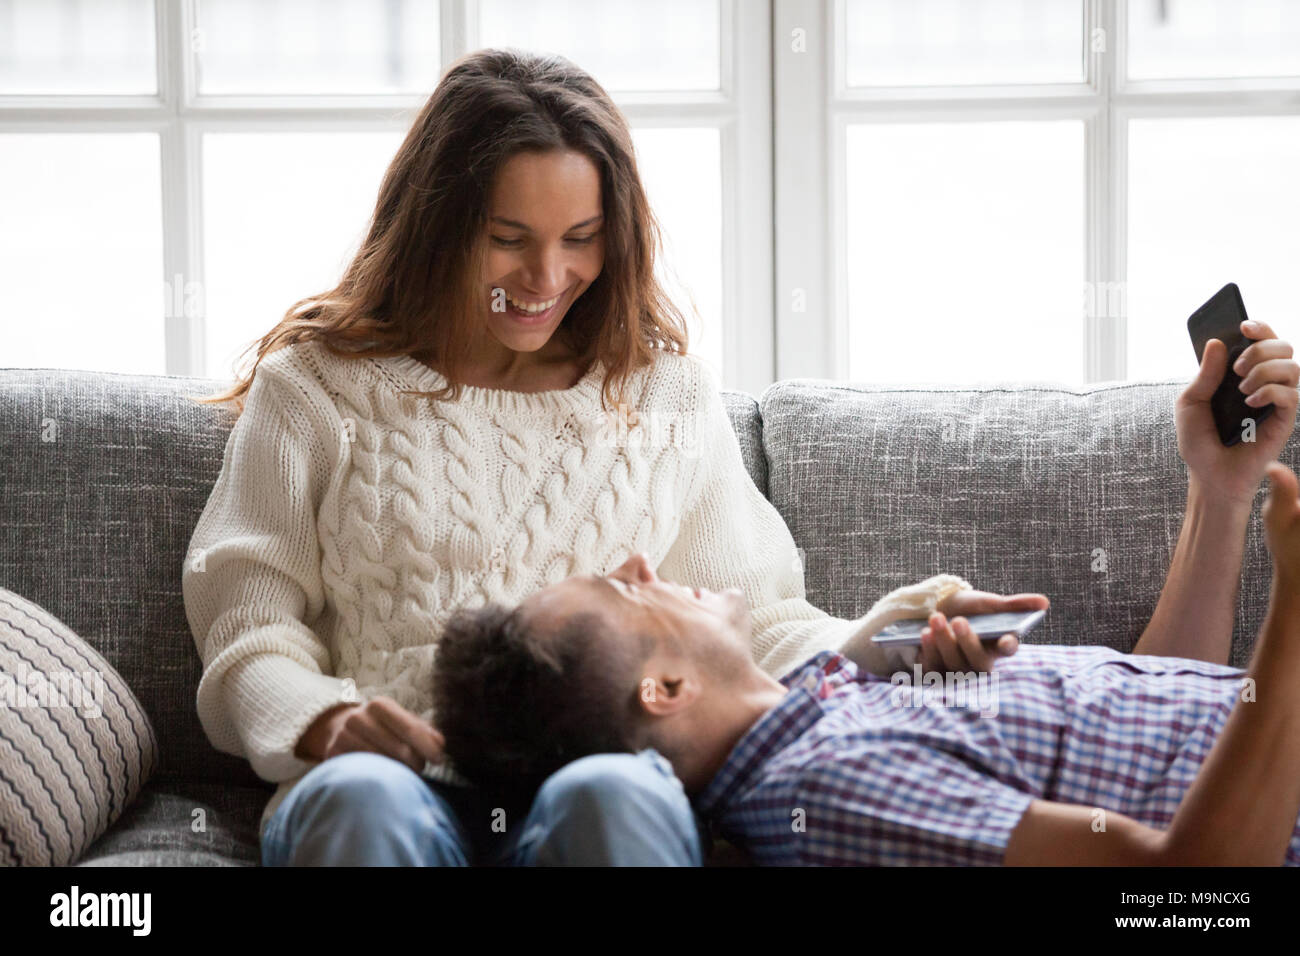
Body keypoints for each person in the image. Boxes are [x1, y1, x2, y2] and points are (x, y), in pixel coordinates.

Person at [180, 47, 1015, 867]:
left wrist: (902, 635)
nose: (547, 275)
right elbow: (248, 627)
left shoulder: (666, 396)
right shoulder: (318, 389)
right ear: (436, 227)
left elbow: (753, 626)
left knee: (612, 796)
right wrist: (322, 722)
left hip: (604, 776)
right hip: (387, 779)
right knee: (363, 802)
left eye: (581, 237)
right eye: (509, 238)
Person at [432, 458, 1300, 866]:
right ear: (665, 690)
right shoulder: (834, 787)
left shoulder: (839, 691)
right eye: (622, 592)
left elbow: (1167, 747)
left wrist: (1220, 488)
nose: (641, 565)